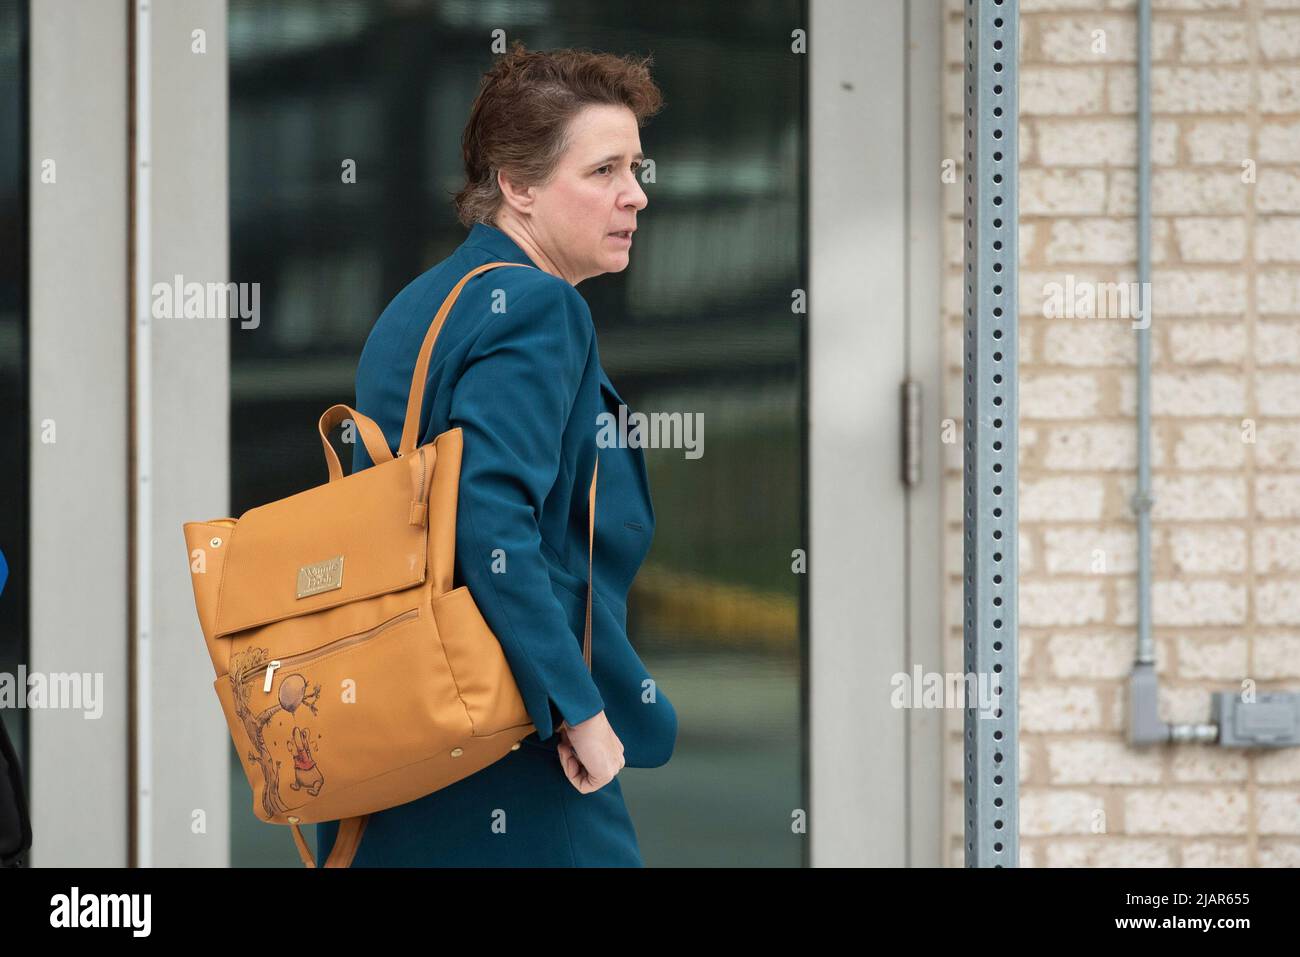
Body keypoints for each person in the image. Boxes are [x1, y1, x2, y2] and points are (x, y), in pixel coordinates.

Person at [315, 42, 677, 866]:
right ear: (516, 185)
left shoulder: (424, 303)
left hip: (402, 731)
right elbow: (492, 522)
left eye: (637, 166)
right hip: (513, 742)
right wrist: (578, 711)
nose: (636, 194)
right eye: (604, 170)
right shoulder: (539, 310)